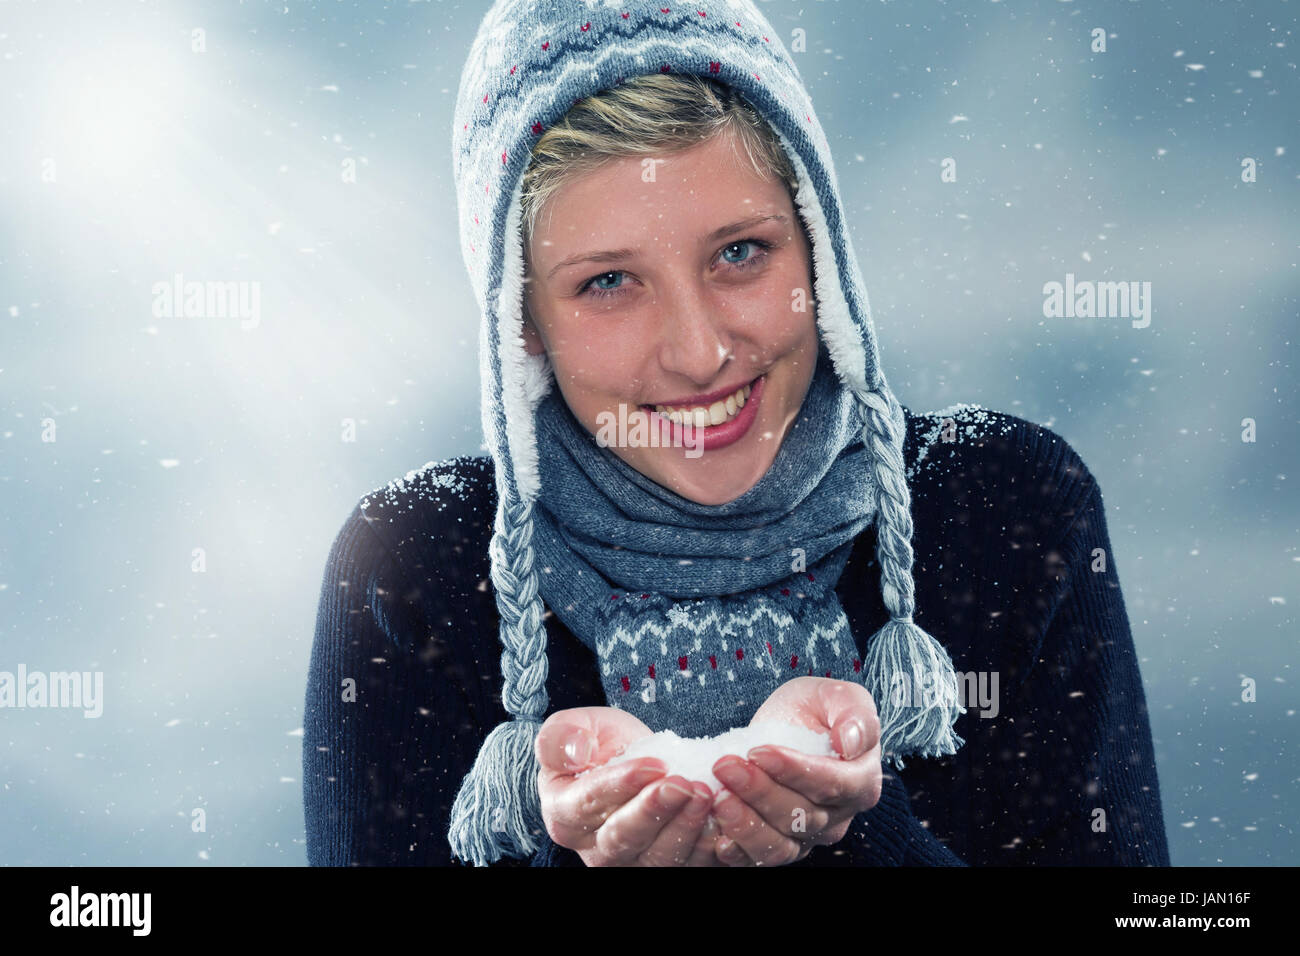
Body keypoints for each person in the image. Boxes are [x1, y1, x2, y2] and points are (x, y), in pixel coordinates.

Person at [303, 0, 1170, 868]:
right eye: (607, 281)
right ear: (519, 319)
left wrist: (847, 833)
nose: (700, 353)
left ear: (818, 248)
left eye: (740, 253)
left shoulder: (1008, 507)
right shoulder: (417, 571)